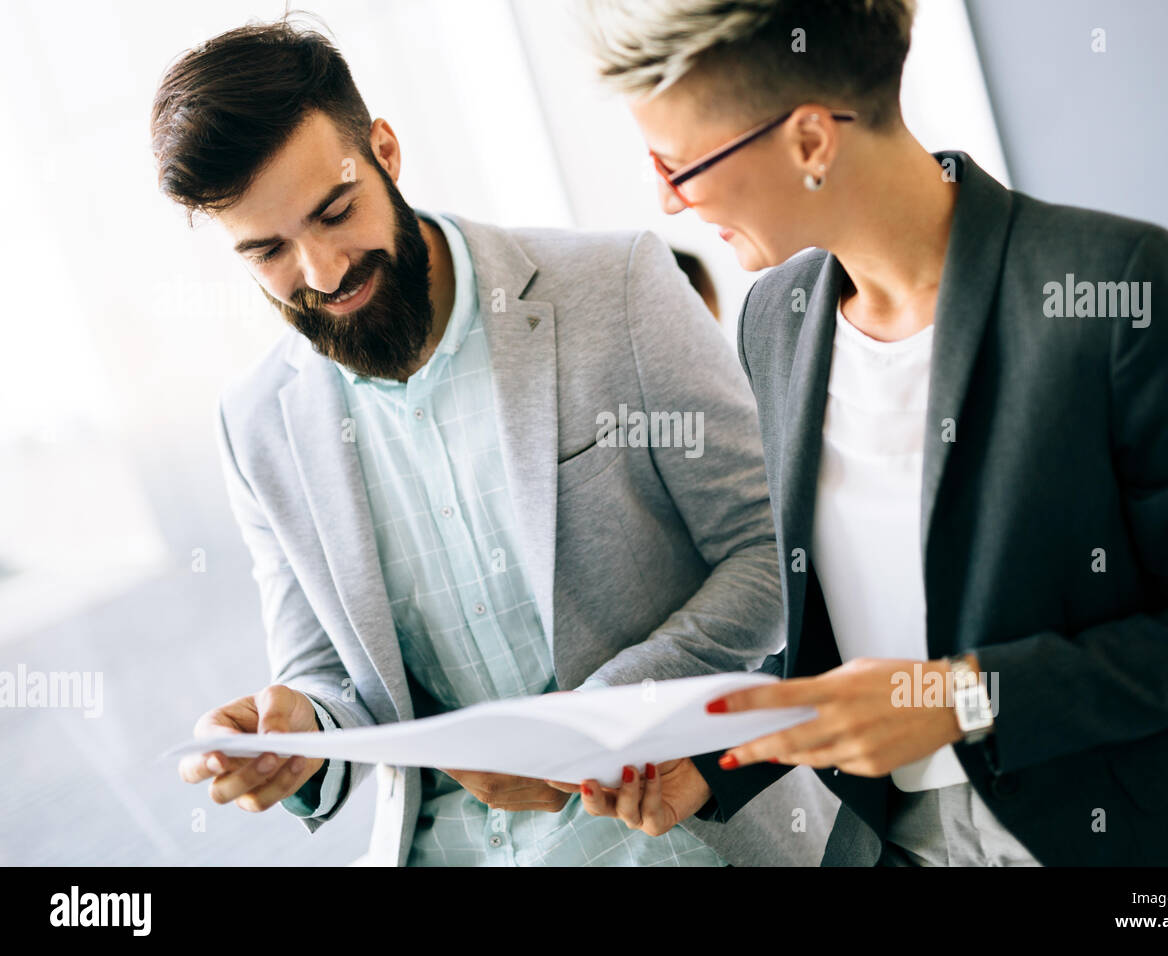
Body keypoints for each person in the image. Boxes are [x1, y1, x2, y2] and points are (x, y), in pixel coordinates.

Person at [578, 0, 1168, 865]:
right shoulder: (777, 317)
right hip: (908, 846)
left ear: (811, 141)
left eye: (678, 162)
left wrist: (962, 697)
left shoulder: (1109, 284)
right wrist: (709, 767)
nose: (665, 197)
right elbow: (853, 641)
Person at [158, 15, 838, 867]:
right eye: (268, 252)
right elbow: (325, 678)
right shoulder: (254, 424)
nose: (323, 271)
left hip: (687, 843)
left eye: (336, 212)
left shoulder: (617, 285)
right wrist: (299, 730)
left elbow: (772, 555)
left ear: (385, 151)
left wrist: (583, 729)